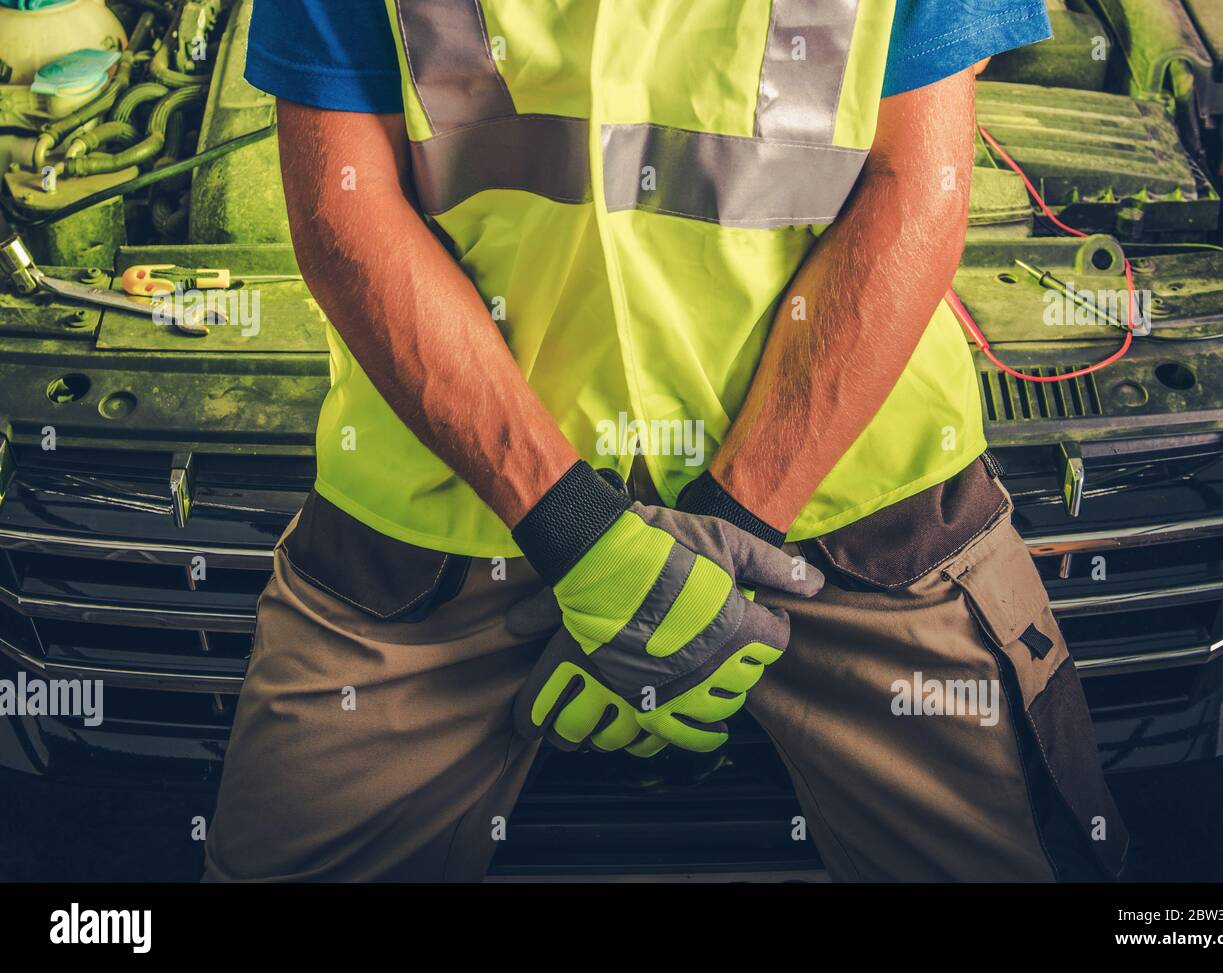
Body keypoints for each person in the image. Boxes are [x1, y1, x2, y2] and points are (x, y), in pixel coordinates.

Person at [204, 0, 1128, 882]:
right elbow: (346, 212)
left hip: (842, 500)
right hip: (463, 507)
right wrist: (578, 533)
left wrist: (730, 530)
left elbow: (915, 188)